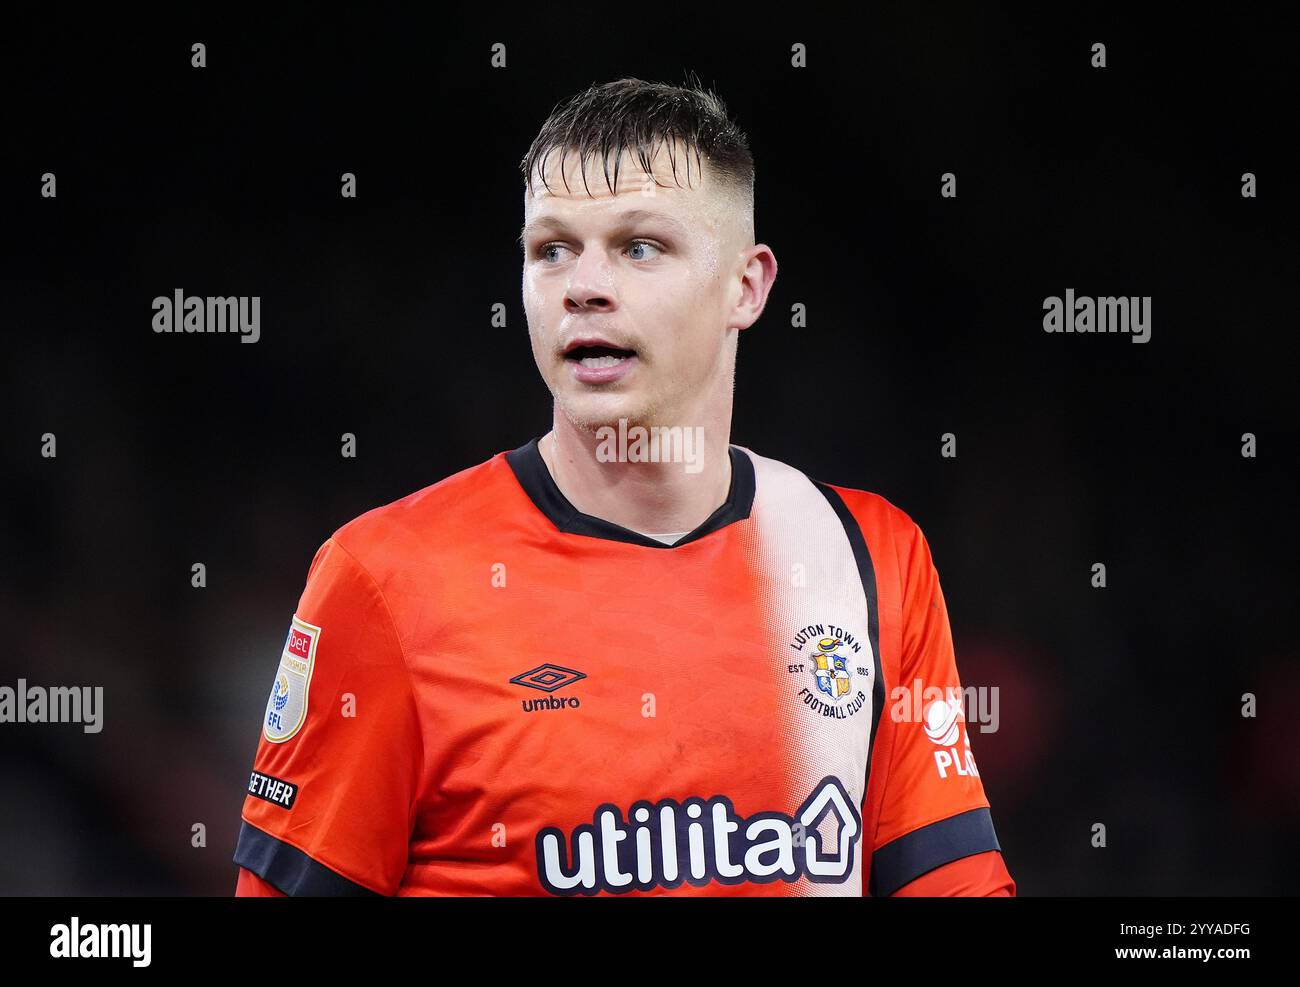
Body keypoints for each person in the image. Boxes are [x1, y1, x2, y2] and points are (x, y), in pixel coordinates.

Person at [234, 76, 1015, 897]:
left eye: (640, 247)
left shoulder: (869, 559)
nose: (584, 285)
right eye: (552, 250)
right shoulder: (385, 579)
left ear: (746, 288)